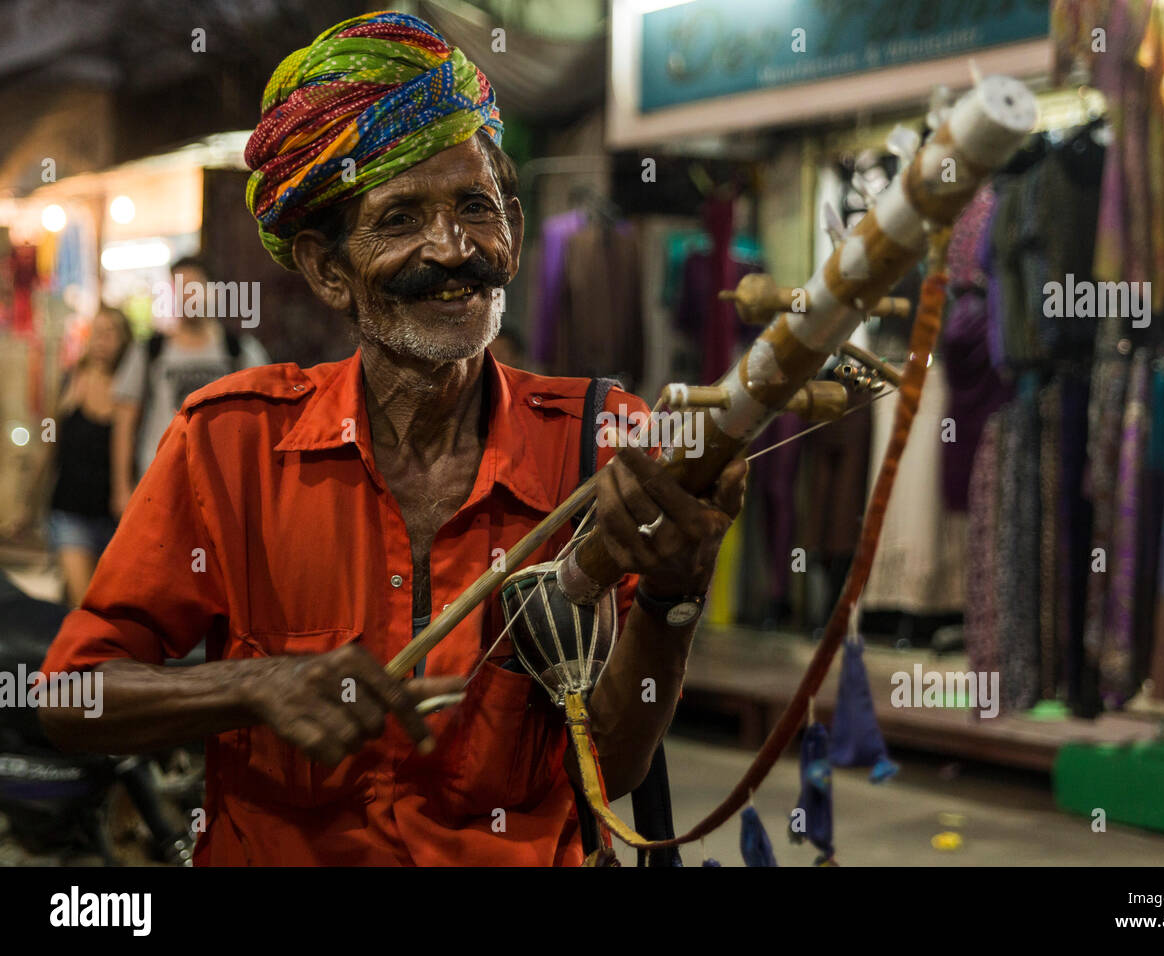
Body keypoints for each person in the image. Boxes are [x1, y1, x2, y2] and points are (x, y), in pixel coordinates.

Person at [41, 12, 747, 867]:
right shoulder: (228, 446)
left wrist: (677, 593)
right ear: (326, 268)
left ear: (515, 232)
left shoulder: (606, 445)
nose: (452, 250)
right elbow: (69, 699)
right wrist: (254, 685)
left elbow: (616, 767)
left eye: (475, 209)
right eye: (402, 217)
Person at [110, 255, 269, 517]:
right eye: (180, 289)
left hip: (225, 488)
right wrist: (121, 488)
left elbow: (264, 419)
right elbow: (125, 418)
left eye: (194, 288)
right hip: (159, 484)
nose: (188, 297)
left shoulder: (239, 351)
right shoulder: (151, 350)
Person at [46, 307, 132, 606]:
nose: (101, 340)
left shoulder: (131, 390)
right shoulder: (70, 380)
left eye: (110, 332)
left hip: (116, 517)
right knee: (85, 607)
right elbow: (49, 438)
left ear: (124, 339)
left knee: (108, 605)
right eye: (97, 331)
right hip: (70, 511)